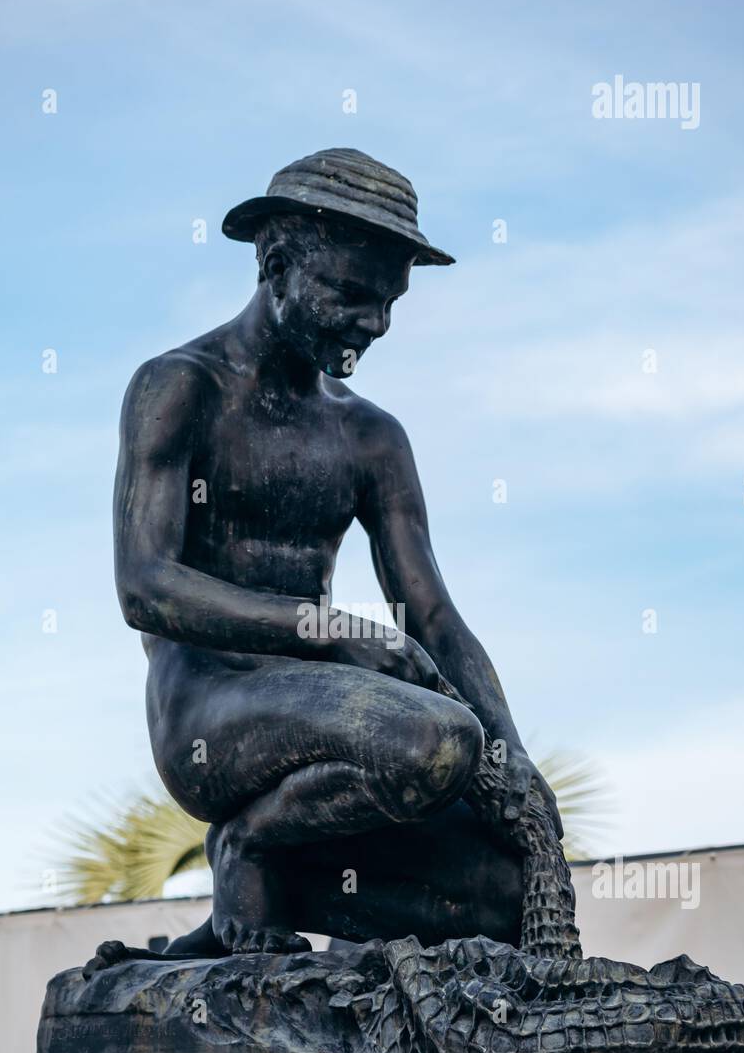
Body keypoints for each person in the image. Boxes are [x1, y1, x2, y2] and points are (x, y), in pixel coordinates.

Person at [113, 149, 560, 957]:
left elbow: (431, 614)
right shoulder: (180, 387)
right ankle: (246, 844)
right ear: (275, 264)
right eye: (352, 294)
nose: (375, 323)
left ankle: (269, 873)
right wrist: (327, 630)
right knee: (438, 742)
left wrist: (514, 752)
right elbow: (145, 587)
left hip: (339, 724)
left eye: (389, 301)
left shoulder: (371, 435)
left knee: (510, 889)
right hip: (210, 711)